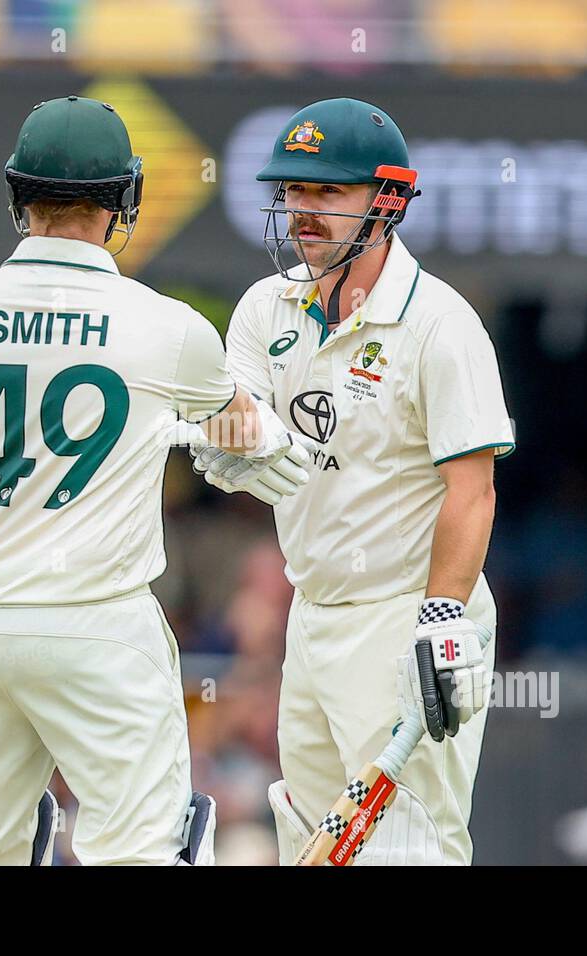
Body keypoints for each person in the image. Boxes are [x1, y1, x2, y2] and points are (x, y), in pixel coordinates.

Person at [0, 95, 311, 865]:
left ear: (19, 197)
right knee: (142, 850)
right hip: (100, 627)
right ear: (125, 203)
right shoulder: (166, 324)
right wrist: (240, 432)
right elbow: (246, 431)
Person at [187, 98, 515, 864]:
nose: (302, 212)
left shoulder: (441, 323)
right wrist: (232, 437)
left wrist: (441, 614)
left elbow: (474, 490)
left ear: (387, 201)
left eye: (326, 193)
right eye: (293, 192)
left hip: (406, 612)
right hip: (312, 614)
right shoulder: (266, 306)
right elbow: (239, 413)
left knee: (406, 845)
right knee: (310, 834)